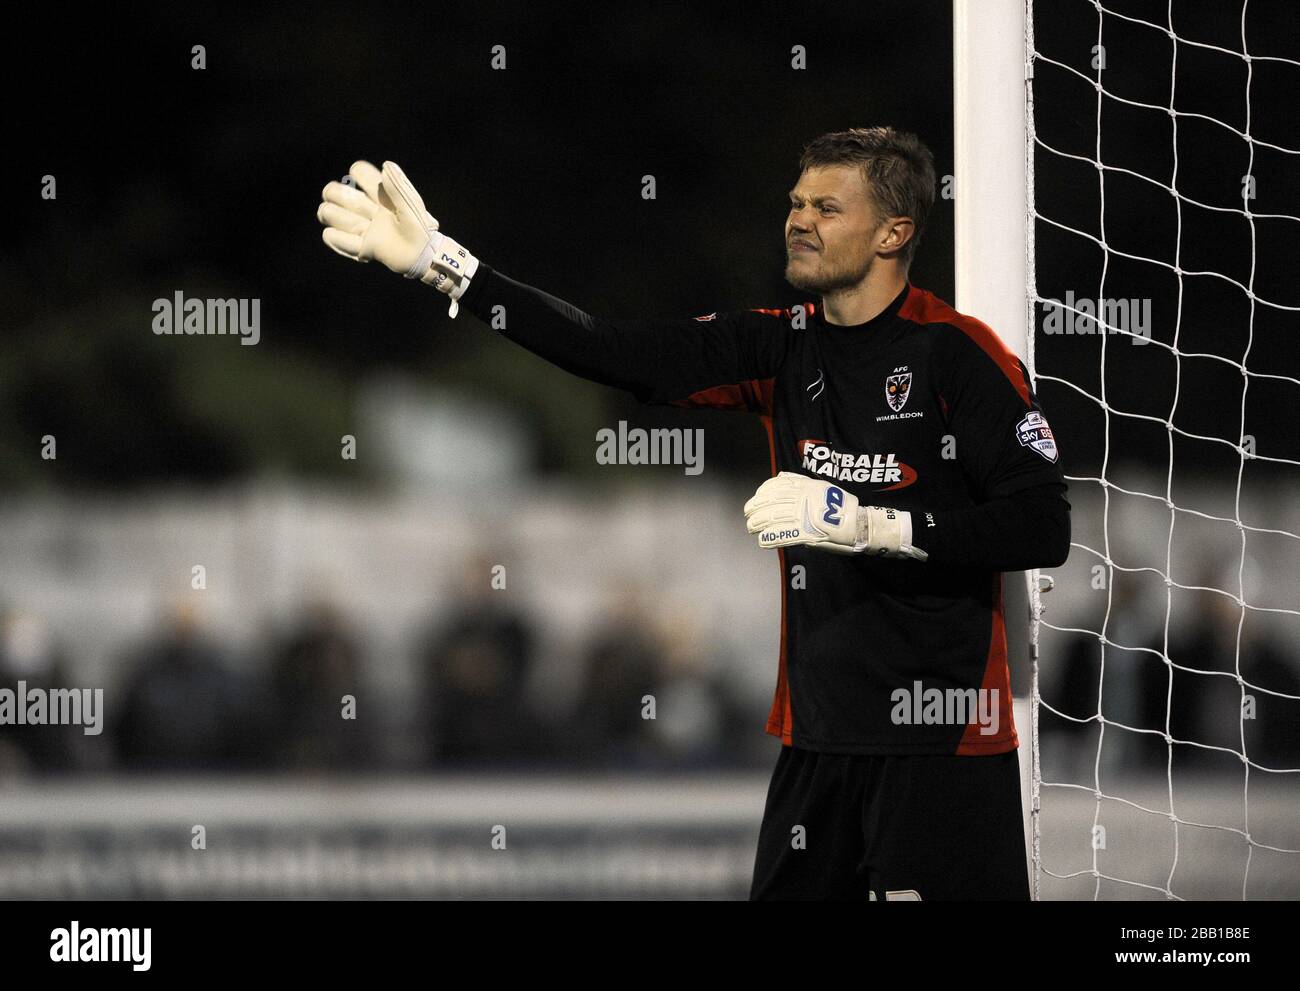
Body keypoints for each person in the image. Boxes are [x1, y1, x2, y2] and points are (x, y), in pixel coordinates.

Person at [316, 126, 1071, 900]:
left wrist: (875, 524)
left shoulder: (960, 355)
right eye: (796, 201)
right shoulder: (780, 347)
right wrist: (447, 267)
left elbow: (1043, 527)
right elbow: (617, 352)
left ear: (894, 232)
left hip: (941, 748)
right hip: (815, 748)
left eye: (827, 206)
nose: (799, 219)